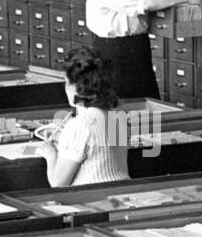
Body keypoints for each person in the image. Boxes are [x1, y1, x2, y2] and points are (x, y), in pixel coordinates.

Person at [34, 47, 130, 187]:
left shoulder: (79, 125)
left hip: (91, 199)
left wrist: (51, 155)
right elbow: (87, 105)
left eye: (67, 82)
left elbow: (58, 183)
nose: (65, 87)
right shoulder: (119, 115)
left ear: (76, 86)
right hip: (123, 193)